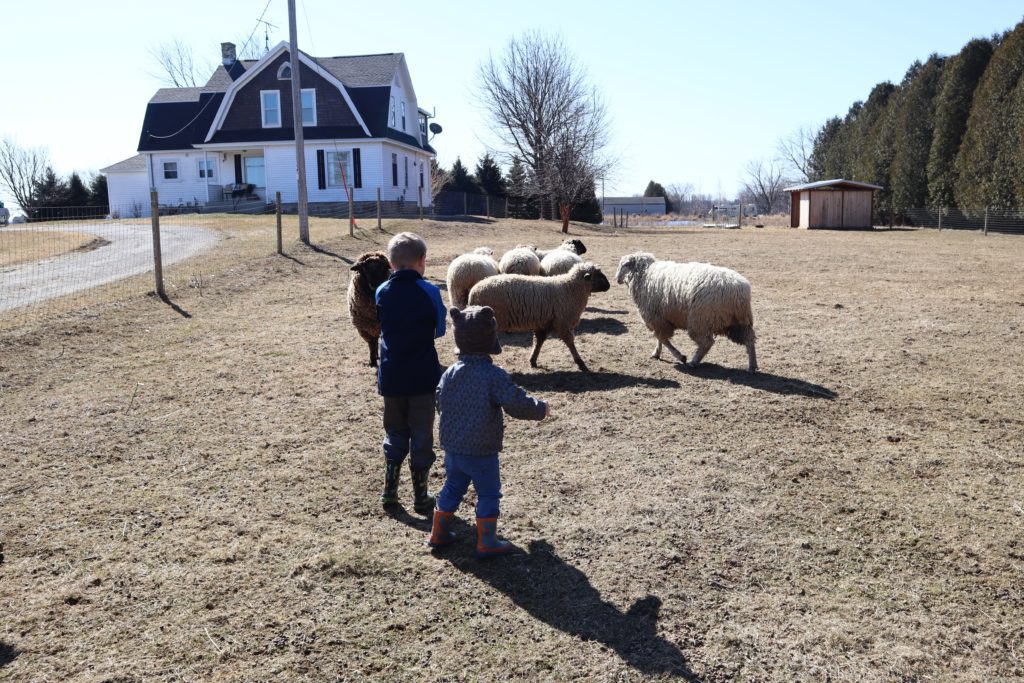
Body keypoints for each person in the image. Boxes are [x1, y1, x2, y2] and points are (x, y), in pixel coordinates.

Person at [428, 306, 550, 558]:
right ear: (490, 338)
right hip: (481, 449)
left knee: (452, 486)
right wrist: (541, 408)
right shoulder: (493, 375)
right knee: (488, 492)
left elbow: (438, 400)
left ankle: (438, 532)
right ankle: (487, 540)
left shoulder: (449, 373)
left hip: (453, 446)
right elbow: (515, 402)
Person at [375, 232, 446, 514]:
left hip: (391, 376)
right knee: (421, 434)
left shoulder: (382, 290)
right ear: (422, 260)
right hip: (422, 377)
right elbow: (440, 329)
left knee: (395, 430)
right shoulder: (430, 291)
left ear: (391, 263)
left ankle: (390, 490)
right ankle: (421, 496)